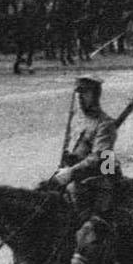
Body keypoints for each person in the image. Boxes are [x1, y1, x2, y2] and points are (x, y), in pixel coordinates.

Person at [53, 76, 119, 217]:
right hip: (75, 174)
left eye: (85, 94)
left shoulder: (105, 124)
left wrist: (71, 171)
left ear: (95, 96)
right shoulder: (80, 121)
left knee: (74, 194)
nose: (80, 98)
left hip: (97, 179)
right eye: (79, 94)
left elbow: (100, 158)